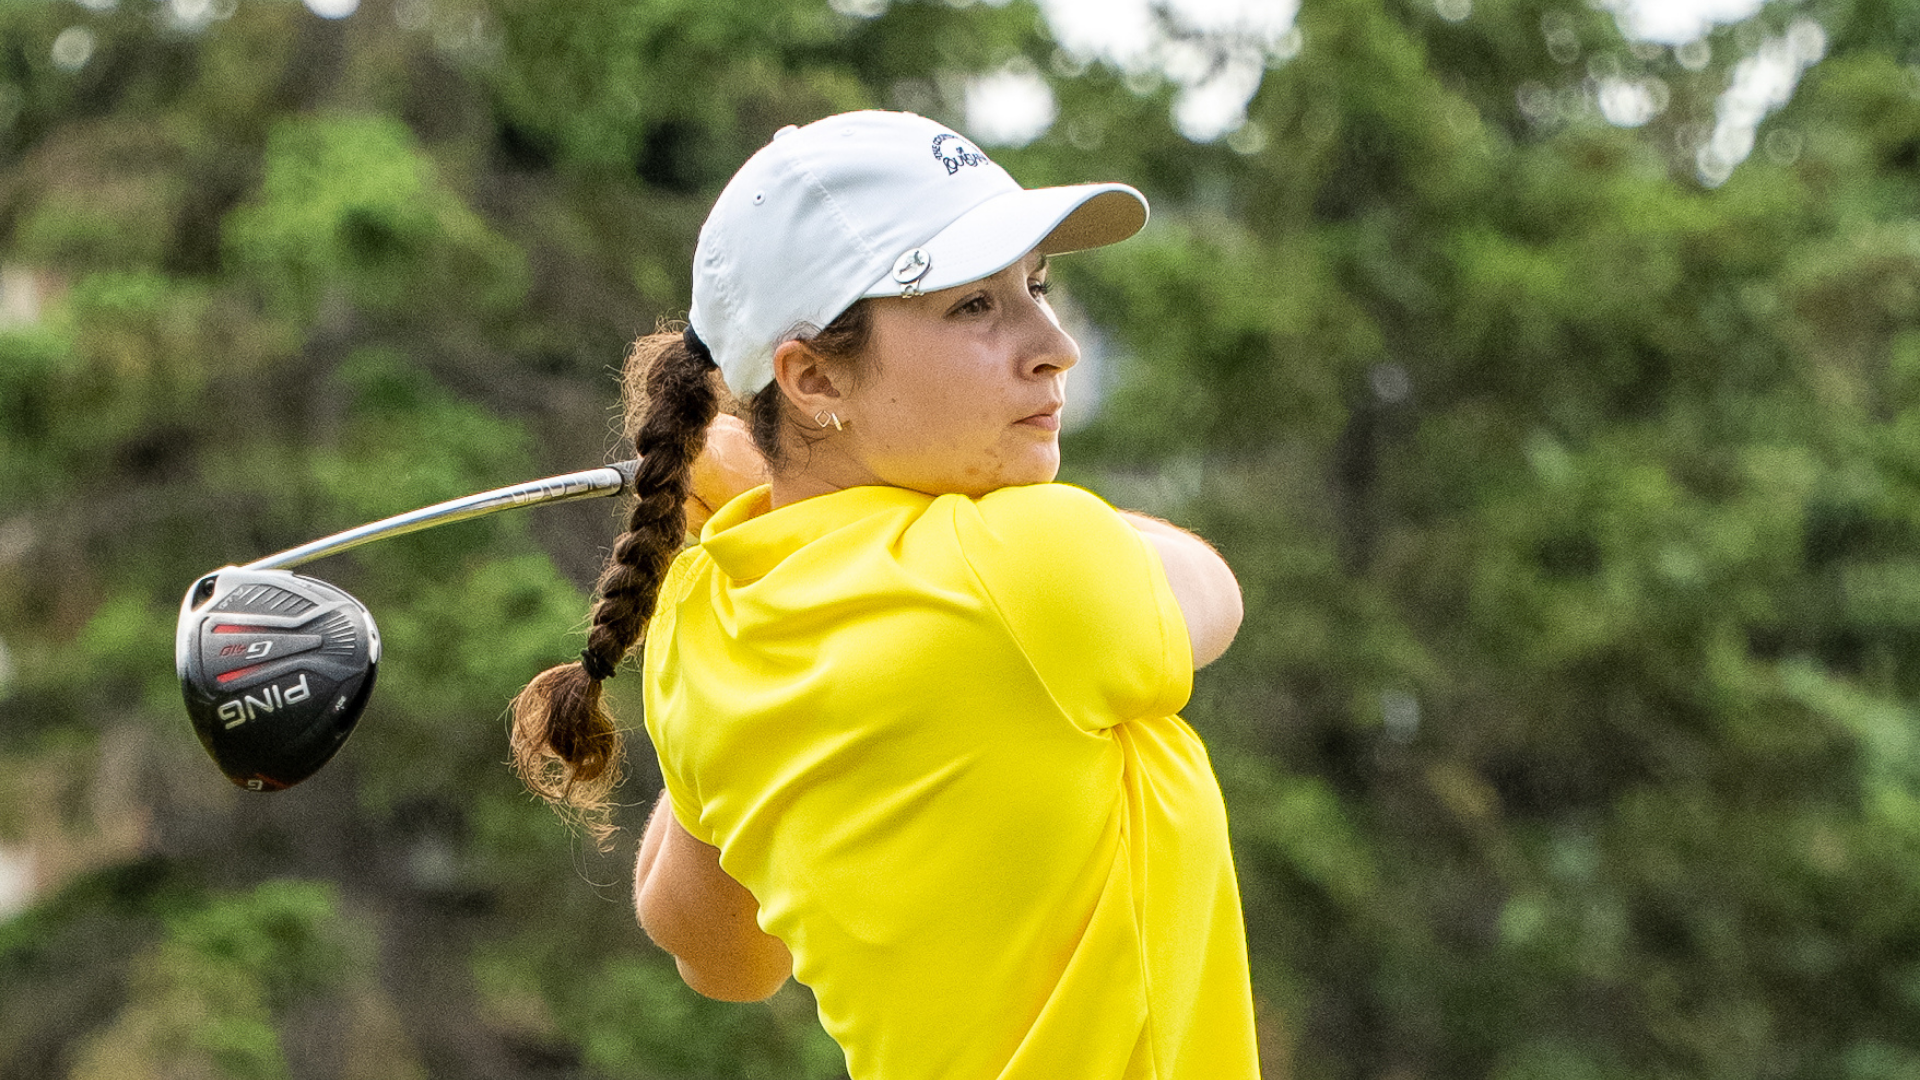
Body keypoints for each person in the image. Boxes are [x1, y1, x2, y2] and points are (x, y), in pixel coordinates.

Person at [509, 110, 1259, 1080]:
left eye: (1034, 288)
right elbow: (1213, 591)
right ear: (814, 376)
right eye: (975, 308)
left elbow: (718, 950)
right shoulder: (1022, 563)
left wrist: (759, 518)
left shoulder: (710, 614)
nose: (1054, 346)